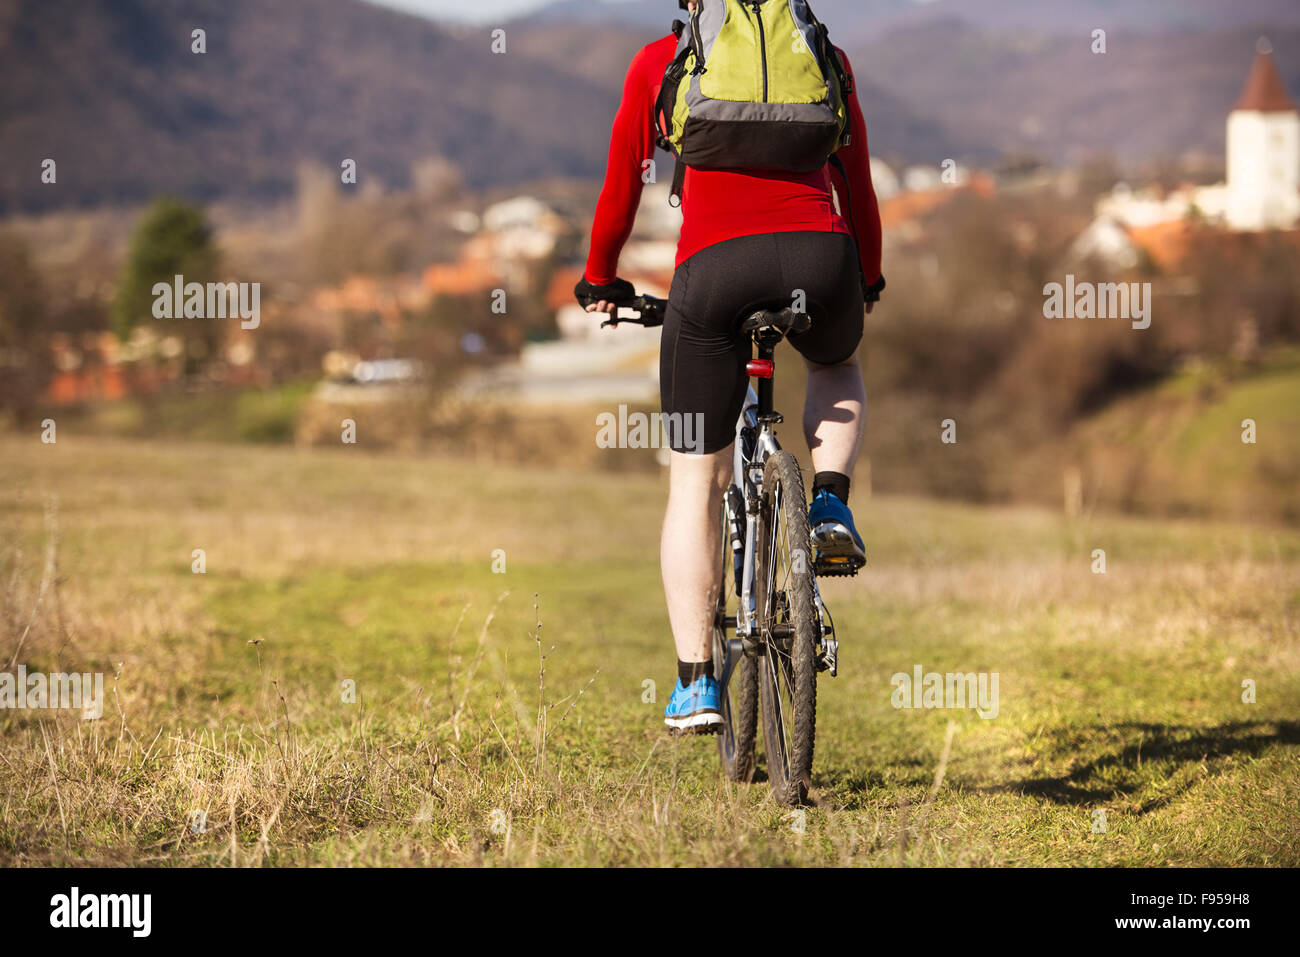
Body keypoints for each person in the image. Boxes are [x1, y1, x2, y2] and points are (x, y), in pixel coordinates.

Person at [574, 0, 884, 733]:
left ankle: (695, 683)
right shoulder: (825, 58)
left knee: (695, 479)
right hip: (823, 259)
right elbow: (859, 186)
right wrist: (863, 278)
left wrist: (599, 278)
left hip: (712, 275)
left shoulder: (661, 63)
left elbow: (623, 182)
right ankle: (832, 502)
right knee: (836, 363)